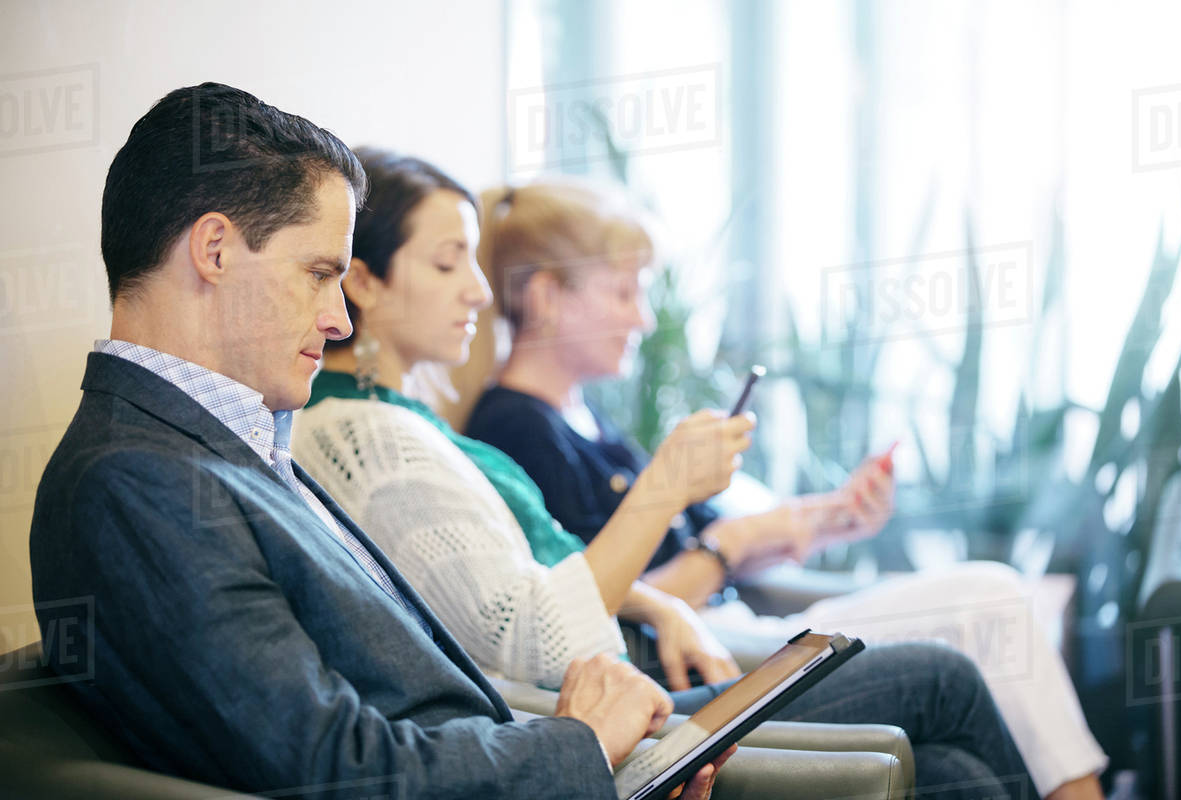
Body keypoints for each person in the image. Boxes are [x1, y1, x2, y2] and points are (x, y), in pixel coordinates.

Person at [26, 83, 733, 800]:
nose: (340, 319)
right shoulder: (135, 481)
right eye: (319, 274)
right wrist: (582, 746)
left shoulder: (218, 446)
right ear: (214, 250)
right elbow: (335, 768)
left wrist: (594, 750)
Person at [293, 151, 1038, 800]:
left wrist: (675, 589)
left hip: (638, 665)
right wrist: (670, 498)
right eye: (448, 262)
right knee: (950, 666)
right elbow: (530, 634)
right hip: (606, 696)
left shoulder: (405, 425)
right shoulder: (373, 437)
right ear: (366, 281)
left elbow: (534, 583)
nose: (481, 292)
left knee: (953, 770)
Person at [462, 179, 1108, 800]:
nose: (644, 316)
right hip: (710, 660)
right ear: (546, 296)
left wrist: (828, 519)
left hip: (738, 628)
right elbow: (594, 609)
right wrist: (726, 543)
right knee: (992, 600)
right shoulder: (515, 431)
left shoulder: (587, 419)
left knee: (955, 761)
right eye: (624, 292)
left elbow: (699, 552)